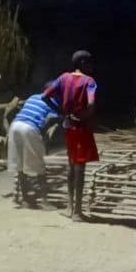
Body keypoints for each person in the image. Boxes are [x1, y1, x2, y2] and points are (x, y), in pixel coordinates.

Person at [42, 50, 99, 221]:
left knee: (71, 165)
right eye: (90, 63)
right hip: (82, 128)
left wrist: (61, 111)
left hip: (68, 127)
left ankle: (69, 206)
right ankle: (77, 211)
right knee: (80, 168)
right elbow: (91, 103)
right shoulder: (89, 81)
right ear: (82, 63)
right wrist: (83, 115)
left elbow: (45, 96)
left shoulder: (63, 78)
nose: (92, 66)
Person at [6, 92, 57, 208]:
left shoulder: (33, 97)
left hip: (15, 125)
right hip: (29, 128)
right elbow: (49, 118)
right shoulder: (53, 101)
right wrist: (47, 130)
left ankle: (25, 200)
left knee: (20, 166)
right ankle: (44, 202)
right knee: (40, 167)